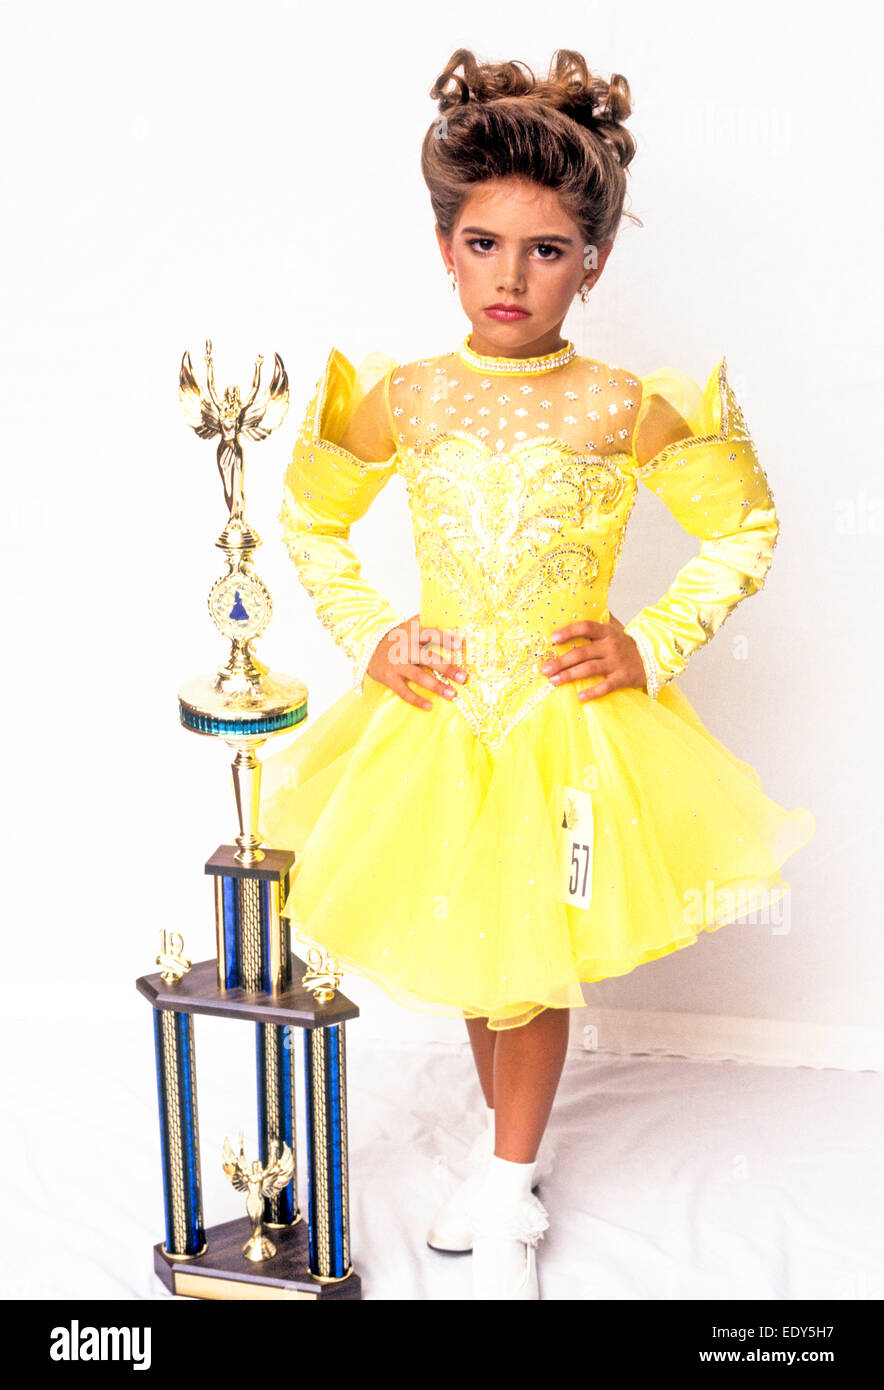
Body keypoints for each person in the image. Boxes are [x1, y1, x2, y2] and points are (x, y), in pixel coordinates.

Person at [257, 47, 816, 1301]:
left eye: (547, 249)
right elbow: (309, 519)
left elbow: (745, 525)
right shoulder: (406, 397)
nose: (512, 276)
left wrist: (650, 640)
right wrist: (372, 635)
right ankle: (504, 1160)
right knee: (473, 940)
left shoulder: (621, 406)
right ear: (444, 247)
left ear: (593, 263)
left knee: (535, 959)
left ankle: (506, 1183)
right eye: (484, 243)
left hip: (566, 720)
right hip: (445, 713)